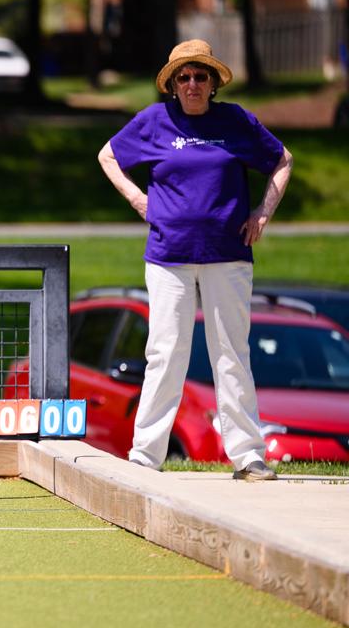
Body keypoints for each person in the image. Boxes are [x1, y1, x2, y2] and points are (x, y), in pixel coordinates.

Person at [97, 39, 293, 481]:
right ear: (172, 84)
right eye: (183, 77)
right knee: (165, 352)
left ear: (212, 82)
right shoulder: (153, 121)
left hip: (229, 255)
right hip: (169, 256)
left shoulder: (236, 121)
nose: (192, 84)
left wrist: (263, 212)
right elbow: (107, 155)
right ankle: (146, 456)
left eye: (200, 76)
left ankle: (247, 456)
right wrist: (136, 197)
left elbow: (282, 159)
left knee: (231, 353)